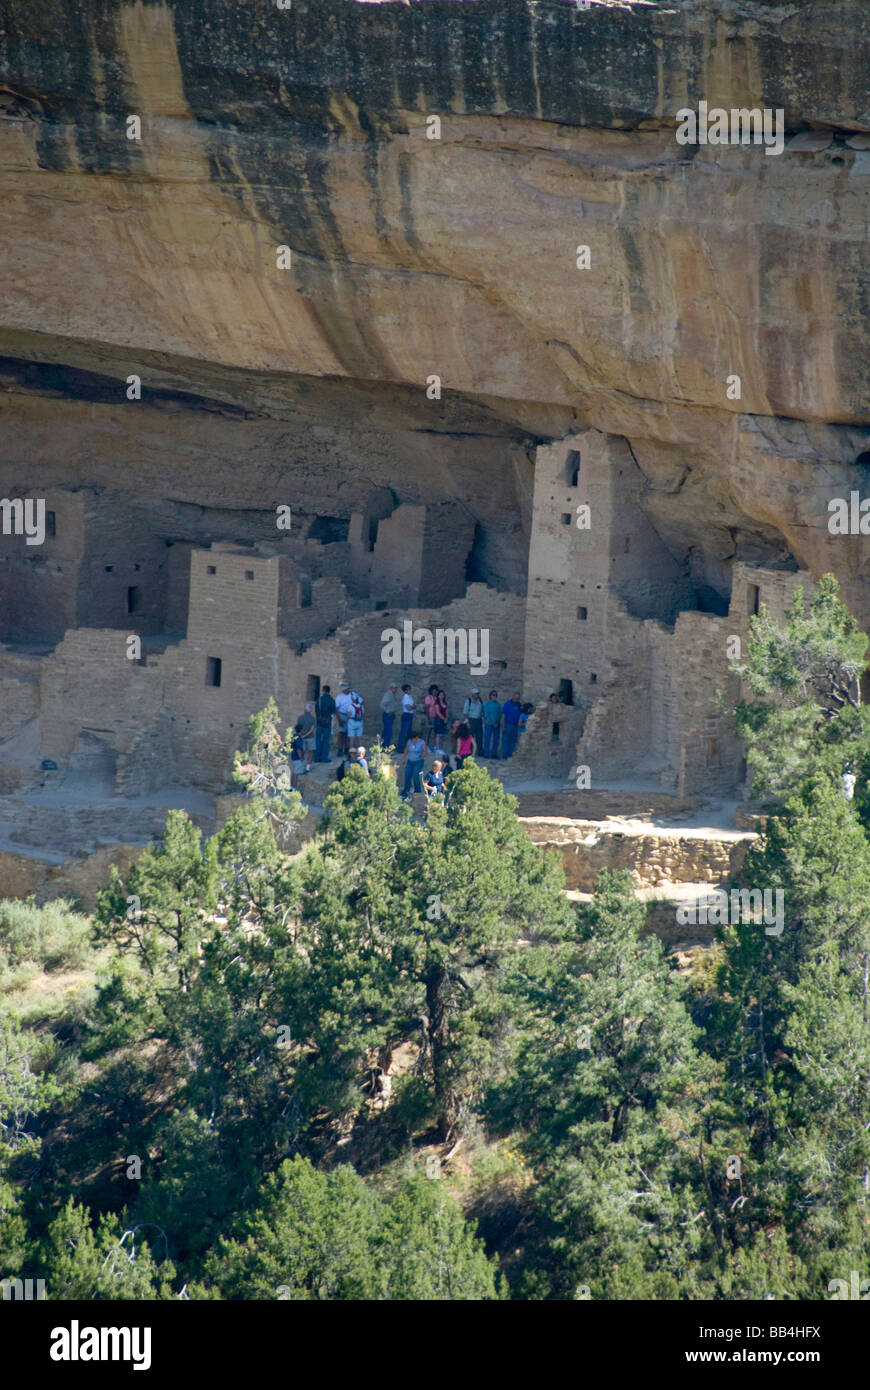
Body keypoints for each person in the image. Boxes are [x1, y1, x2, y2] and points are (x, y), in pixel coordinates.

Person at [402, 730, 429, 799]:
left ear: (416, 737)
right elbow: (406, 750)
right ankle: (406, 792)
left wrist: (421, 756)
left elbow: (425, 751)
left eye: (413, 739)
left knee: (415, 776)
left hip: (418, 762)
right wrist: (404, 759)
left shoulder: (421, 742)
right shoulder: (409, 742)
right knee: (407, 775)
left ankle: (417, 791)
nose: (412, 740)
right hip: (410, 761)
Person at [315, 684, 336, 763]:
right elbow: (333, 711)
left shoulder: (319, 699)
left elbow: (316, 710)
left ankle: (316, 758)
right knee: (326, 740)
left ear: (323, 691)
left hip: (319, 721)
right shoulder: (331, 700)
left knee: (318, 739)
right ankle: (324, 758)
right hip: (327, 722)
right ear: (329, 691)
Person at [334, 682, 354, 757]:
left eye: (346, 689)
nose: (345, 691)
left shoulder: (352, 695)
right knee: (341, 733)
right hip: (342, 715)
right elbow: (336, 708)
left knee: (348, 734)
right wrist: (339, 719)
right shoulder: (339, 697)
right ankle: (340, 749)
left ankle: (346, 748)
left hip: (349, 716)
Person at [501, 693, 522, 759]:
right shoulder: (507, 704)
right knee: (505, 740)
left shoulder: (519, 704)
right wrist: (503, 726)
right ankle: (504, 755)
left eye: (518, 698)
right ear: (513, 697)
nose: (517, 699)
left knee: (513, 740)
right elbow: (503, 716)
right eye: (516, 698)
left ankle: (510, 755)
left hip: (515, 725)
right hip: (508, 724)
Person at [482, 690, 502, 759]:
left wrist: (497, 722)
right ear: (490, 696)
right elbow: (486, 715)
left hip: (497, 724)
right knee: (487, 738)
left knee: (496, 739)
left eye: (495, 695)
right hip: (489, 724)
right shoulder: (487, 704)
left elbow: (500, 714)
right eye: (493, 695)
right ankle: (486, 753)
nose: (494, 696)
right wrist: (493, 723)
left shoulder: (498, 704)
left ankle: (494, 753)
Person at [298, 702, 316, 772]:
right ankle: (308, 767)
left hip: (302, 737)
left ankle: (301, 767)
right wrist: (307, 734)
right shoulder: (312, 718)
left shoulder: (300, 718)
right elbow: (312, 728)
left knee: (302, 753)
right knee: (310, 753)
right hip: (310, 737)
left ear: (305, 710)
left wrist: (302, 735)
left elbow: (298, 728)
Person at [380, 684, 399, 748]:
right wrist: (388, 711)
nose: (396, 689)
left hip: (390, 715)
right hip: (388, 715)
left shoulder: (392, 695)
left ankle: (383, 745)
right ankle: (385, 746)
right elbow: (382, 704)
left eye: (396, 688)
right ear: (391, 688)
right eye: (394, 688)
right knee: (388, 731)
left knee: (387, 731)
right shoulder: (388, 695)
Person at [289, 722, 305, 788]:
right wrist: (301, 758)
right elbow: (298, 749)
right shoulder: (298, 738)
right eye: (303, 729)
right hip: (297, 758)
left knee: (293, 773)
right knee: (296, 774)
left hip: (293, 757)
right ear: (301, 730)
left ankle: (291, 787)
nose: (304, 730)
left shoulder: (294, 736)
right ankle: (294, 788)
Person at [399, 684, 415, 750]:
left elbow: (412, 705)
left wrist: (412, 707)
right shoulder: (405, 697)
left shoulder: (410, 696)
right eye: (408, 689)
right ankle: (400, 748)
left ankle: (407, 747)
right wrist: (413, 707)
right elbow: (408, 707)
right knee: (404, 732)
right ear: (405, 690)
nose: (410, 690)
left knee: (408, 732)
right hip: (406, 715)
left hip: (410, 715)